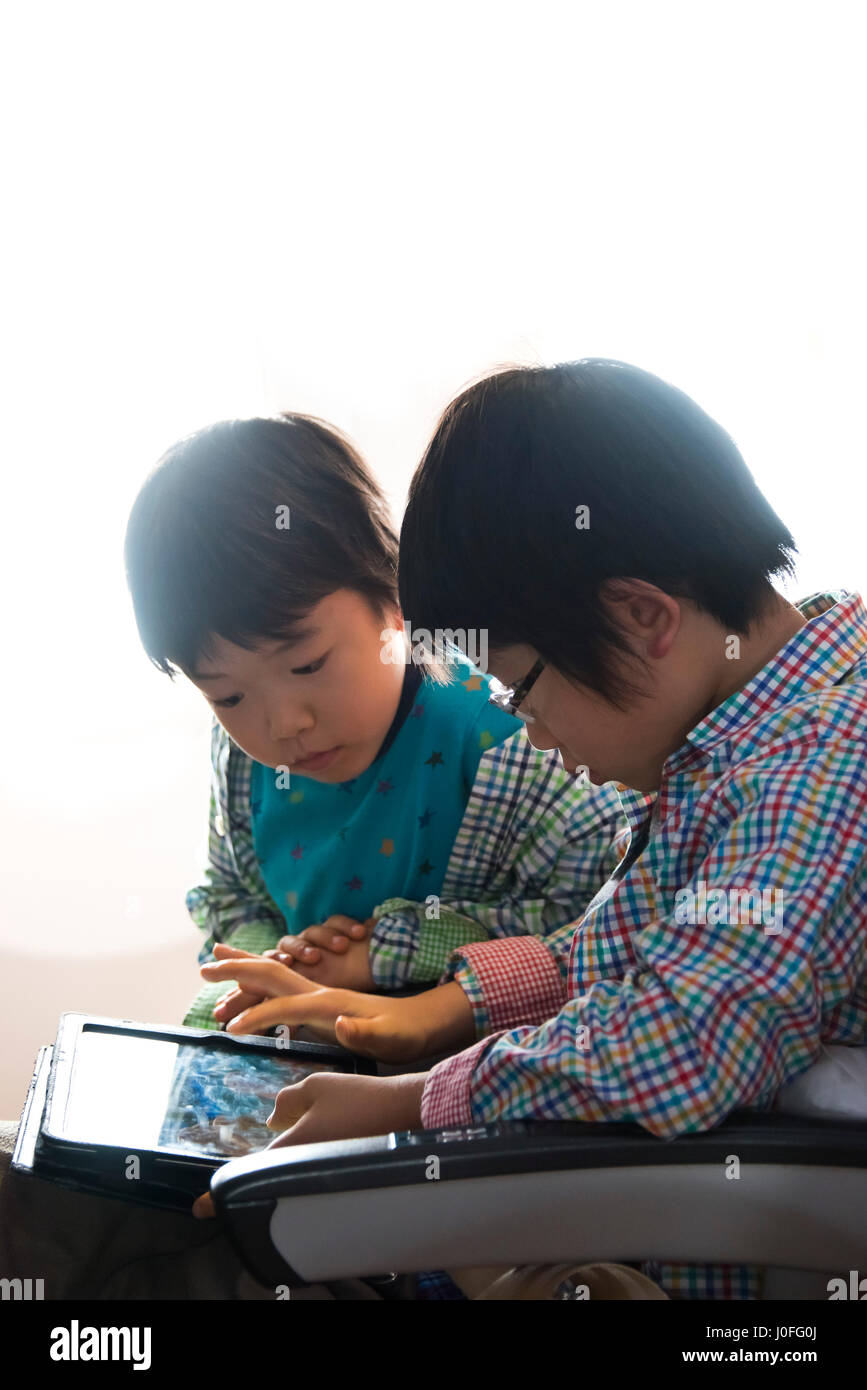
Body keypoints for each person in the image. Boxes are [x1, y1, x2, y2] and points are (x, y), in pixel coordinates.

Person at [207, 360, 867, 1300]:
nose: (532, 733)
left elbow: (678, 1045)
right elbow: (604, 960)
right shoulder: (725, 744)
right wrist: (437, 1014)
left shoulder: (823, 767)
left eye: (525, 690)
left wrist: (417, 1102)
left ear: (642, 618)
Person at [123, 412, 627, 1027]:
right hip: (309, 1027)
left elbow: (592, 922)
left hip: (465, 1043)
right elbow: (231, 894)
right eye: (227, 697)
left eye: (308, 665)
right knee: (208, 1023)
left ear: (393, 595)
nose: (283, 723)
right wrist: (276, 964)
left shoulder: (511, 736)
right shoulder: (243, 757)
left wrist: (385, 953)